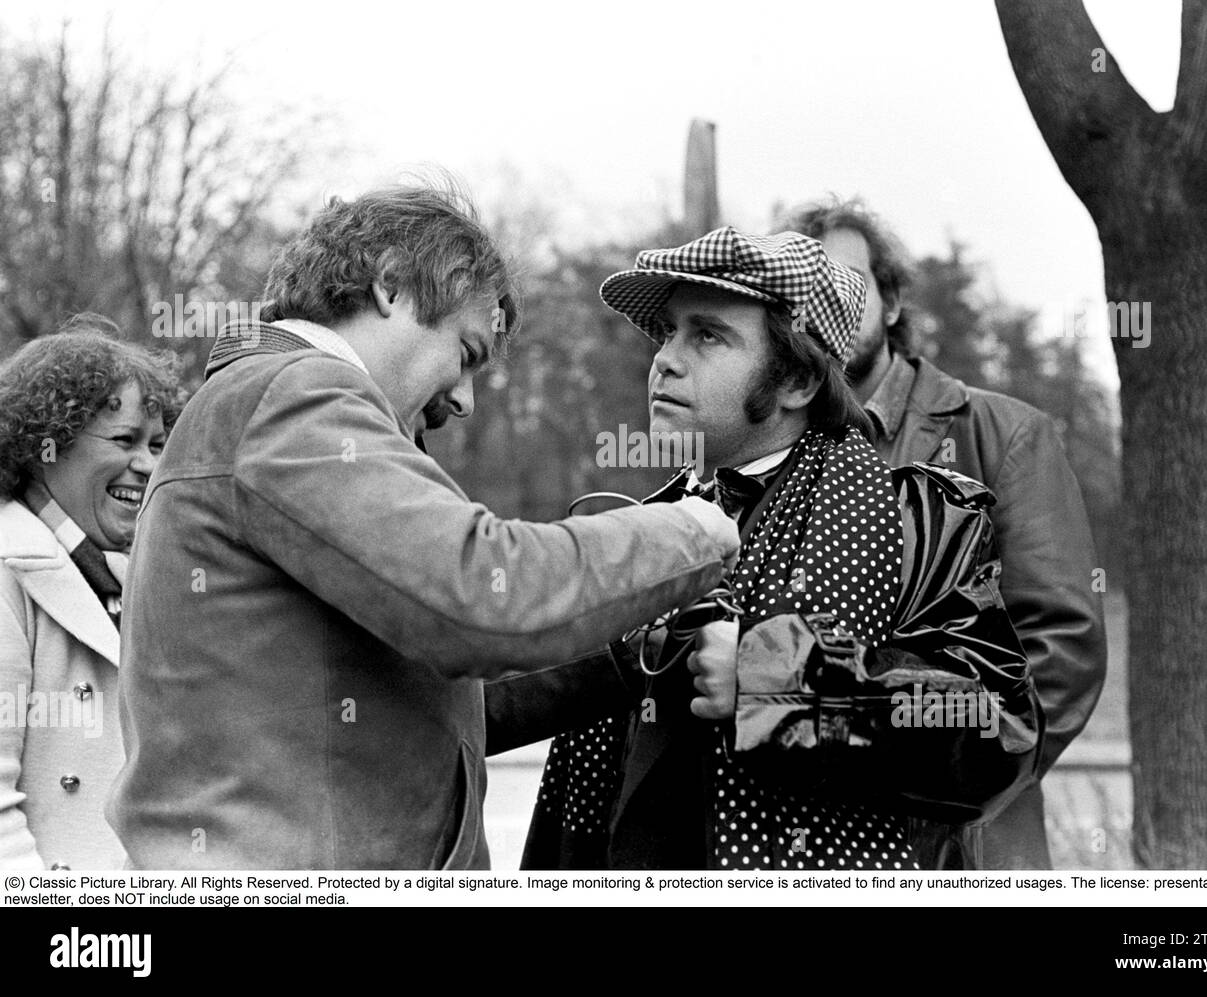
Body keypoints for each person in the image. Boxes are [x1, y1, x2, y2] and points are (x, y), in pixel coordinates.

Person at [107, 178, 740, 870]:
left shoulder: (257, 405)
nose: (464, 401)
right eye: (466, 353)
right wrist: (694, 532)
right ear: (390, 287)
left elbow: (434, 701)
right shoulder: (295, 396)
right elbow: (484, 593)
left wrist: (620, 659)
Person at [523, 226, 925, 871]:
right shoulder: (654, 518)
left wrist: (777, 680)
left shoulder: (914, 517)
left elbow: (994, 732)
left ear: (795, 379)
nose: (666, 359)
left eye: (707, 335)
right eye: (669, 332)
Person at [781, 197, 1106, 868]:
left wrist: (938, 778)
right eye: (802, 289)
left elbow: (1061, 653)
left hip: (963, 845)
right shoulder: (777, 453)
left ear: (893, 302)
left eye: (845, 282)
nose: (825, 304)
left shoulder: (1006, 436)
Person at [0, 318, 184, 870]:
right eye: (124, 440)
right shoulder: (8, 566)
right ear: (45, 448)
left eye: (156, 443)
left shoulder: (130, 576)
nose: (149, 465)